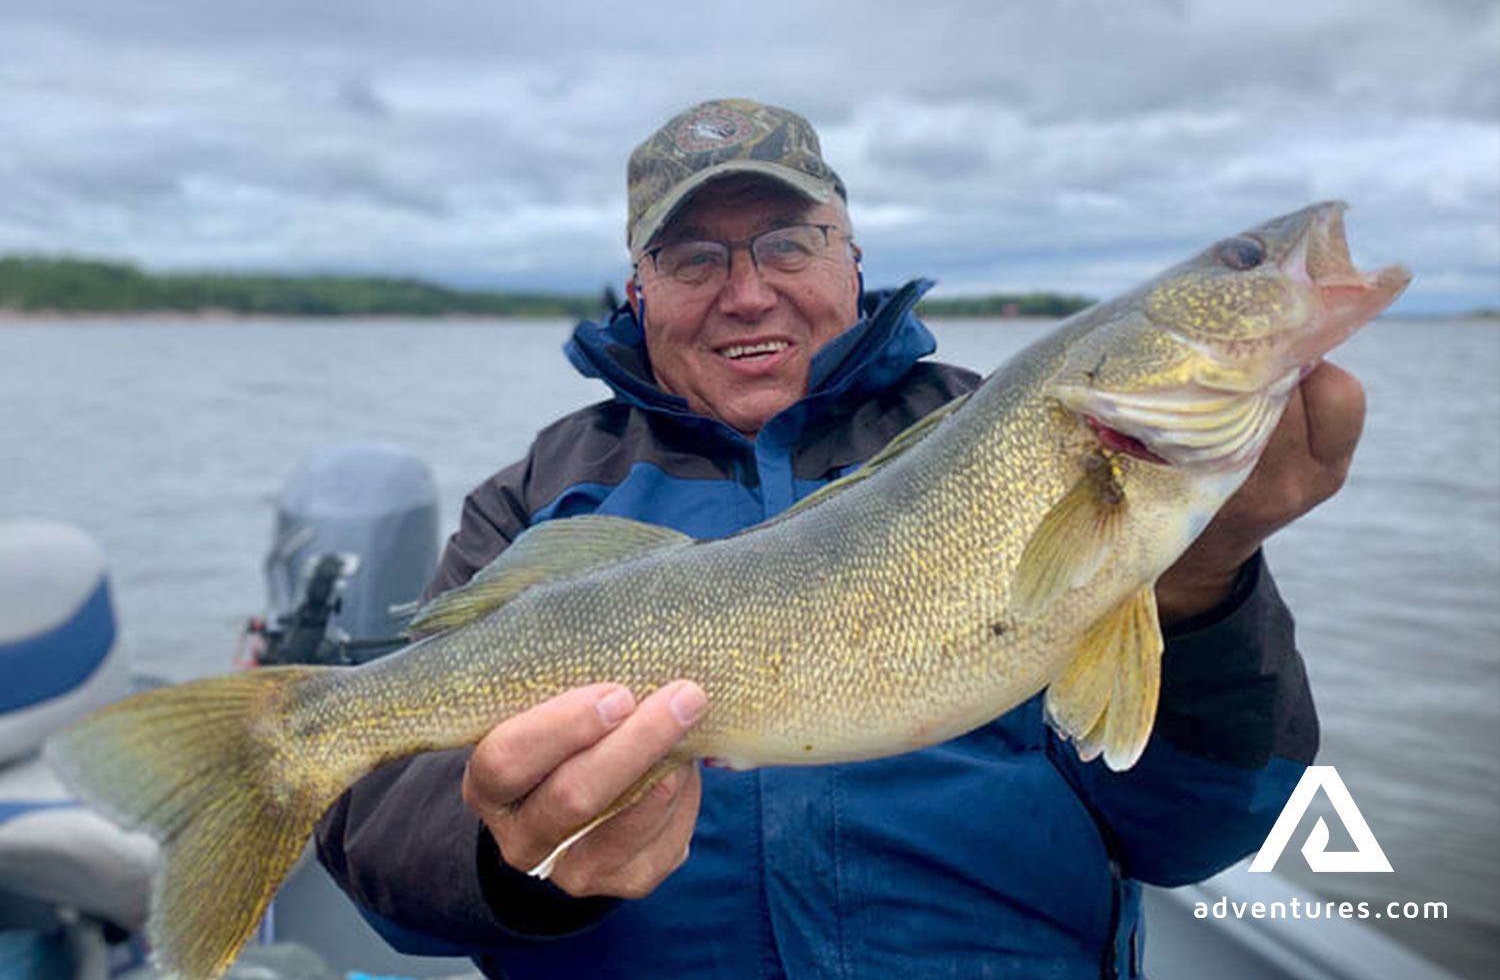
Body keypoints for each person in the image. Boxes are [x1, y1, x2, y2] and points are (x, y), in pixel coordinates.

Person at [317, 99, 1358, 978]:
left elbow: (1195, 836)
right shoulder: (536, 498)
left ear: (850, 259)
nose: (748, 289)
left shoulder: (1012, 433)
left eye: (787, 241)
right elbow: (388, 855)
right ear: (639, 293)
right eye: (692, 257)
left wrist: (1211, 575)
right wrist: (514, 860)